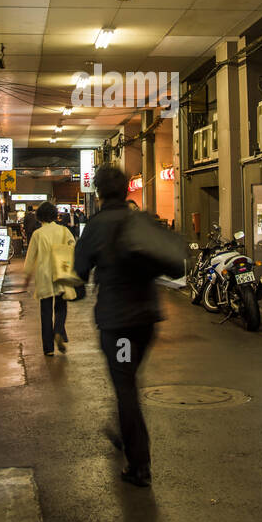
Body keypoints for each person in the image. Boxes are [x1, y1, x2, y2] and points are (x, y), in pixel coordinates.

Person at [73, 164, 163, 487]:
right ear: (126, 190)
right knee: (127, 383)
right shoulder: (140, 219)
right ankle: (126, 430)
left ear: (97, 193)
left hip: (120, 326)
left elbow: (80, 273)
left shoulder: (95, 226)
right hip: (148, 320)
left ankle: (139, 465)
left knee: (125, 388)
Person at [25, 201, 75, 356]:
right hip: (61, 271)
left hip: (44, 275)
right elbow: (73, 246)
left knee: (45, 312)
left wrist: (26, 277)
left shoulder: (38, 234)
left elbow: (30, 258)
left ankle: (48, 349)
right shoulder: (64, 231)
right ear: (55, 215)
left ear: (39, 217)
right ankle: (59, 331)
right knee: (61, 307)